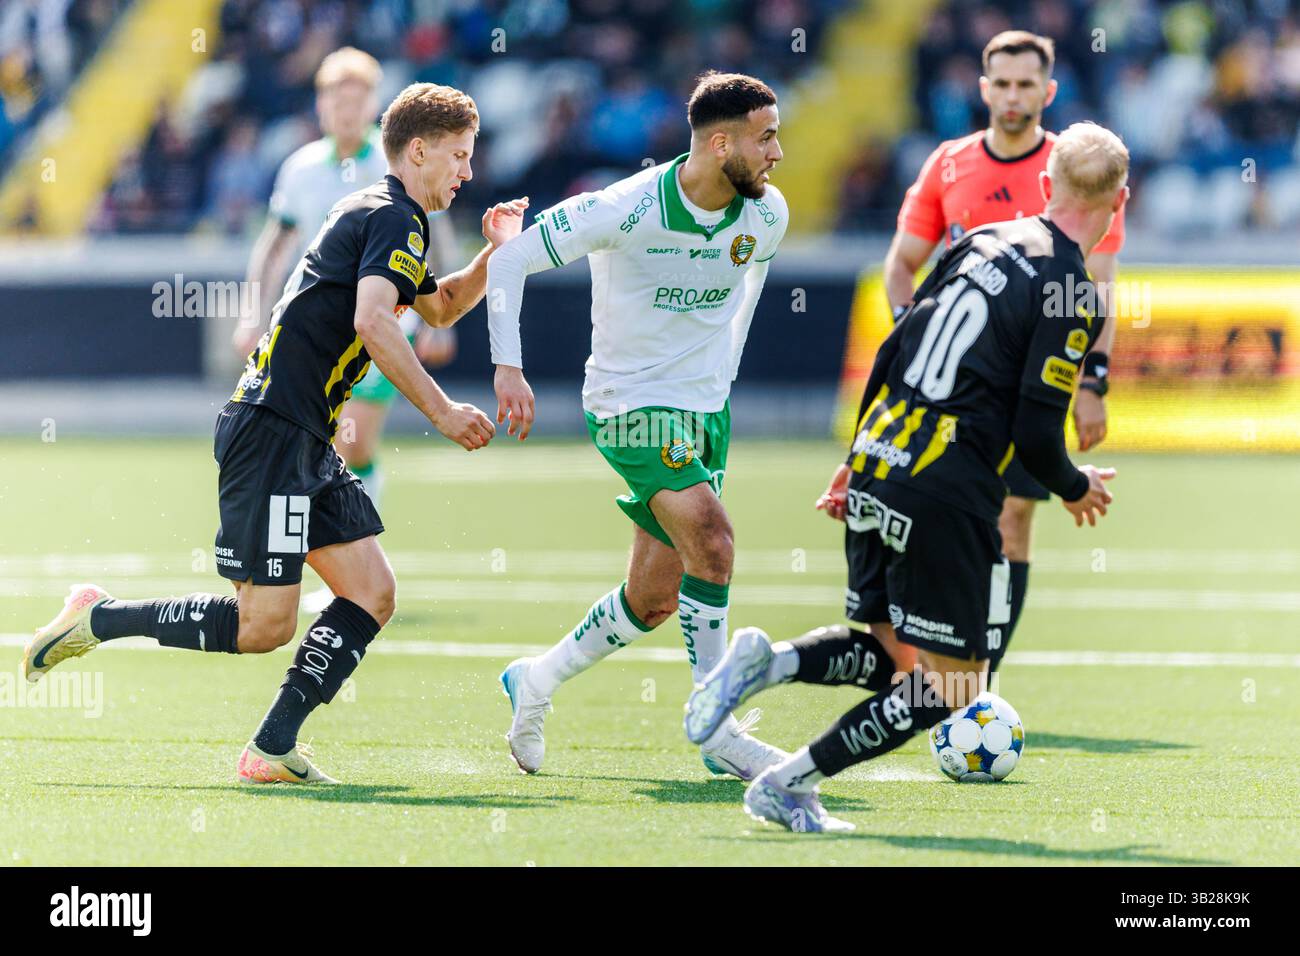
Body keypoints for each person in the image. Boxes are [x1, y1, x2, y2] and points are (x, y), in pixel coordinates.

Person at [25, 83, 526, 784]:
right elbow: (374, 323)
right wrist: (442, 411)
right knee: (263, 625)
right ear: (419, 150)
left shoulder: (387, 216)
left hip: (302, 438)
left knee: (371, 593)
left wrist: (492, 256)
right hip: (272, 432)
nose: (466, 173)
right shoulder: (394, 216)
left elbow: (437, 309)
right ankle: (101, 617)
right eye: (458, 157)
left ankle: (270, 748)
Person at [686, 121, 1128, 831]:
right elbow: (1037, 433)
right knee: (953, 686)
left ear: (1047, 186)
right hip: (945, 486)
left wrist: (856, 453)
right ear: (1120, 202)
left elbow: (894, 345)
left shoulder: (981, 242)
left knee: (892, 657)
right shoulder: (1069, 289)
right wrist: (1076, 487)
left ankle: (770, 663)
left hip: (883, 459)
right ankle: (787, 781)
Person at [485, 71, 789, 780]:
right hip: (630, 405)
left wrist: (720, 388)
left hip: (705, 412)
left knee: (654, 598)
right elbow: (515, 258)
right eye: (766, 137)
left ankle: (535, 679)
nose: (777, 153)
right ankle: (718, 724)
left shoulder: (766, 216)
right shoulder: (626, 207)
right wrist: (509, 368)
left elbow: (743, 306)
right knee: (713, 540)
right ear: (720, 144)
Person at [881, 30, 1123, 669]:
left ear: (1048, 91)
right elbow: (901, 266)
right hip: (957, 392)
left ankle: (980, 680)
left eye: (1027, 85)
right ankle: (937, 673)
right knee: (944, 520)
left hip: (1031, 387)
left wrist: (1093, 381)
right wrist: (919, 335)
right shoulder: (949, 163)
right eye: (1003, 84)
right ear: (984, 89)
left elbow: (1099, 289)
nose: (1014, 96)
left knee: (1014, 518)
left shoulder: (1080, 166)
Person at [232, 48, 459, 612]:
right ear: (321, 103)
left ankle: (354, 558)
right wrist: (251, 311)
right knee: (325, 447)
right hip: (317, 337)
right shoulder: (301, 167)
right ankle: (344, 564)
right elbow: (273, 245)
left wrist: (444, 318)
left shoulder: (397, 169)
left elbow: (439, 235)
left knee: (352, 441)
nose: (345, 109)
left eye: (357, 99)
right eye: (336, 97)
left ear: (373, 106)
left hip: (382, 327)